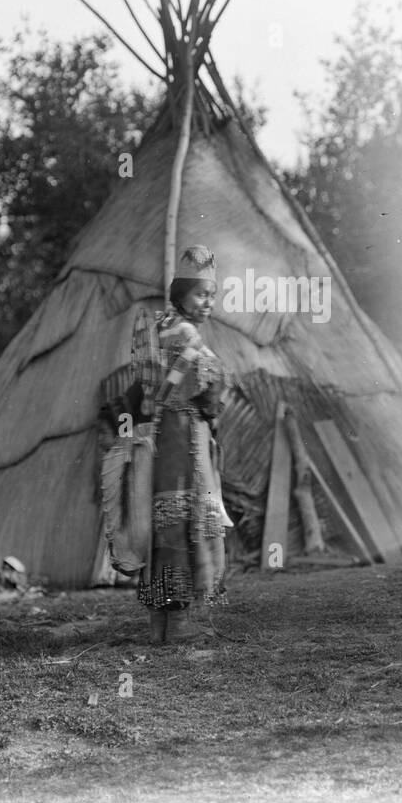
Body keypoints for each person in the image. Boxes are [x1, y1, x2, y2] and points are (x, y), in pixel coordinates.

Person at [121, 245, 231, 644]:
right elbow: (213, 387)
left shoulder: (154, 327)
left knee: (161, 523)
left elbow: (137, 391)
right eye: (202, 294)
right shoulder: (186, 334)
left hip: (156, 437)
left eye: (212, 296)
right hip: (184, 438)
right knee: (186, 524)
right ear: (182, 293)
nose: (208, 303)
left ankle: (158, 627)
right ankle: (182, 625)